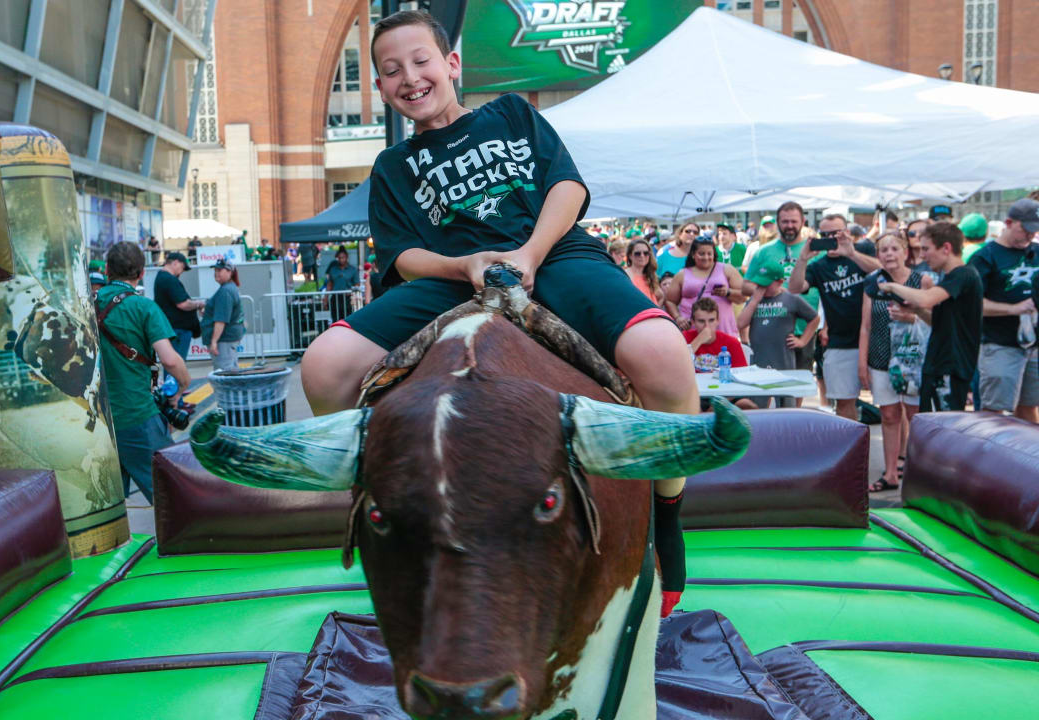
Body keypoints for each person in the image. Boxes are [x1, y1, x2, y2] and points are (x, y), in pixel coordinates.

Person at [301, 9, 697, 617]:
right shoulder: (392, 168)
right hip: (457, 278)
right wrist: (466, 267)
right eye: (390, 71)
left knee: (664, 356)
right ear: (379, 87)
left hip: (555, 254)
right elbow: (403, 258)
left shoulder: (510, 112)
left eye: (421, 60)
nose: (409, 77)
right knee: (324, 365)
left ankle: (667, 514)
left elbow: (566, 188)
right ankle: (388, 496)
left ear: (452, 64)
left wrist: (529, 254)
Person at [95, 241, 191, 503]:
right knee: (173, 497)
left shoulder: (87, 304)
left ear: (106, 270)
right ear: (141, 273)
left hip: (96, 421)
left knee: (109, 507)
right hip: (136, 416)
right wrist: (182, 385)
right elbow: (170, 360)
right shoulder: (144, 308)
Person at [880, 222, 983, 412]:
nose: (922, 255)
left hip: (950, 367)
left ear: (946, 248)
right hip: (939, 364)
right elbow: (939, 322)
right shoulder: (951, 277)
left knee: (942, 429)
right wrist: (917, 311)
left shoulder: (963, 275)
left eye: (926, 249)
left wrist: (891, 286)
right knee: (932, 425)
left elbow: (926, 299)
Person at [789, 213, 882, 421]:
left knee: (889, 405)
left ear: (847, 232)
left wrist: (852, 254)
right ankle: (854, 450)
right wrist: (803, 257)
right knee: (843, 403)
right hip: (840, 343)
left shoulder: (862, 250)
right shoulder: (818, 266)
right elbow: (794, 287)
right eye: (825, 234)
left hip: (875, 339)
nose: (831, 238)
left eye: (836, 233)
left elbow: (886, 273)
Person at [860, 232, 926, 491]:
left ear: (905, 252)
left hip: (913, 359)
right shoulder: (872, 282)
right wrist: (862, 363)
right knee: (888, 414)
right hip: (880, 356)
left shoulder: (921, 280)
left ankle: (918, 471)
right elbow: (865, 326)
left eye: (894, 249)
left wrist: (914, 317)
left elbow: (937, 318)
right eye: (883, 250)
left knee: (915, 415)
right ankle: (890, 473)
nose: (889, 254)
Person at [968, 198, 1038, 422]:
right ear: (1008, 222)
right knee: (994, 412)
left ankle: (1030, 455)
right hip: (999, 344)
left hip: (1034, 344)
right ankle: (987, 455)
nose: (1029, 236)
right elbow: (972, 305)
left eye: (1034, 231)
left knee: (1029, 405)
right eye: (1025, 230)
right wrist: (1014, 309)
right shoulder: (985, 256)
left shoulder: (1035, 250)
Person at [744, 202, 822, 376]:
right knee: (766, 383)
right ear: (778, 222)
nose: (789, 226)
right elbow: (745, 285)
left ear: (803, 221)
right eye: (785, 221)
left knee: (799, 382)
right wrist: (772, 290)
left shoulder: (816, 252)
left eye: (794, 221)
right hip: (771, 329)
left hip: (804, 328)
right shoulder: (763, 252)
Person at [737, 263, 818, 407]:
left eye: (766, 284)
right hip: (759, 360)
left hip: (783, 360)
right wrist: (755, 300)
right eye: (759, 284)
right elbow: (741, 323)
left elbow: (814, 318)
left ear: (780, 282)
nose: (761, 288)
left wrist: (802, 341)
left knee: (786, 402)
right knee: (758, 402)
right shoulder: (755, 299)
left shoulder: (791, 299)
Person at [685, 298, 757, 411]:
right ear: (693, 322)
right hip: (695, 394)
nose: (707, 326)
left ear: (718, 321)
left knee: (748, 405)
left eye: (711, 320)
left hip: (726, 393)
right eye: (701, 321)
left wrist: (718, 404)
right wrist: (698, 341)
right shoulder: (684, 338)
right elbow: (676, 366)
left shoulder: (731, 342)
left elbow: (742, 378)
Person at [665, 236, 746, 336]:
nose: (706, 257)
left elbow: (743, 296)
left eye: (709, 254)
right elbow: (669, 301)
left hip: (723, 331)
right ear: (693, 254)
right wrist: (678, 317)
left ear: (714, 254)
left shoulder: (727, 270)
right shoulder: (682, 274)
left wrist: (728, 292)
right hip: (692, 331)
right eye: (701, 254)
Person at [153, 251, 205, 359]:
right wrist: (199, 304)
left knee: (173, 363)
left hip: (173, 329)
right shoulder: (169, 279)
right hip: (178, 330)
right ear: (175, 263)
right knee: (177, 363)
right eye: (182, 267)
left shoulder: (163, 277)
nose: (181, 272)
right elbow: (183, 304)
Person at [202, 258, 244, 371]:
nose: (216, 273)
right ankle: (234, 389)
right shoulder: (229, 288)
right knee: (230, 369)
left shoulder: (225, 291)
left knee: (225, 371)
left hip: (224, 339)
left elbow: (221, 320)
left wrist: (214, 341)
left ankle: (230, 389)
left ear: (229, 272)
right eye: (215, 270)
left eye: (220, 270)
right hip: (228, 337)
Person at [625, 238, 663, 306]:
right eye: (637, 253)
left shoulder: (650, 275)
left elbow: (661, 296)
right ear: (630, 256)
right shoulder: (626, 275)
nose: (642, 256)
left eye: (646, 253)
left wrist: (656, 310)